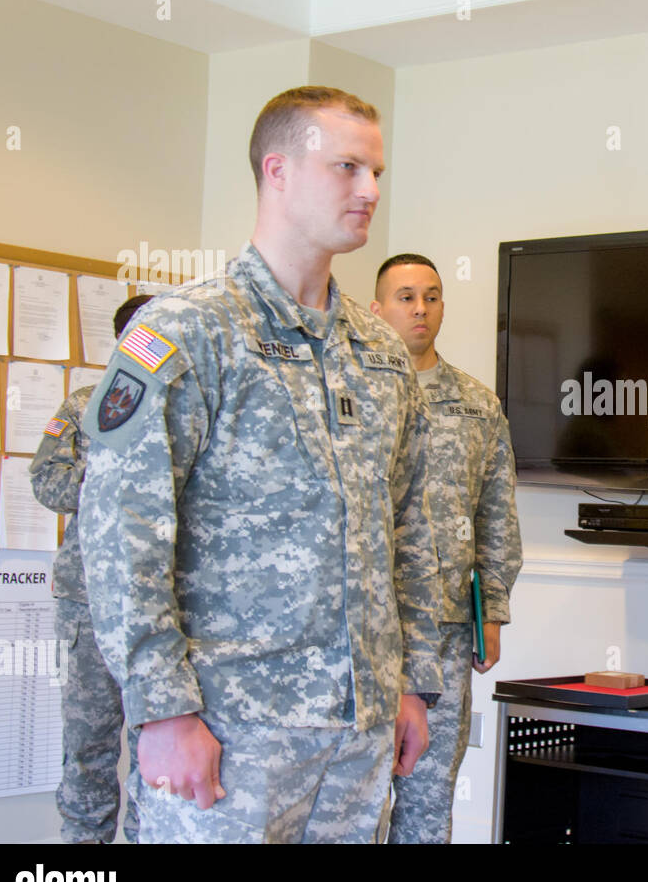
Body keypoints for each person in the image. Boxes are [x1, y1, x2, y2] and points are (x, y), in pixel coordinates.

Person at [79, 86, 443, 843]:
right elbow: (121, 533)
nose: (370, 191)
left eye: (376, 172)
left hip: (356, 737)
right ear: (277, 171)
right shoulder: (185, 333)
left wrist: (414, 683)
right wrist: (161, 707)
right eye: (347, 167)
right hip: (226, 735)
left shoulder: (379, 355)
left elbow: (408, 529)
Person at [370, 253, 522, 844]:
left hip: (448, 625)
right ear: (378, 307)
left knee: (431, 795)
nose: (420, 309)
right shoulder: (354, 395)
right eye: (405, 297)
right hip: (367, 626)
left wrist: (494, 613)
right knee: (355, 797)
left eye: (431, 296)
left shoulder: (477, 403)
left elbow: (496, 516)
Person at [29, 294, 152, 843]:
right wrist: (111, 473)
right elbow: (48, 483)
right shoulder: (85, 405)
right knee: (88, 751)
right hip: (90, 605)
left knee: (161, 756)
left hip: (163, 610)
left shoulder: (189, 408)